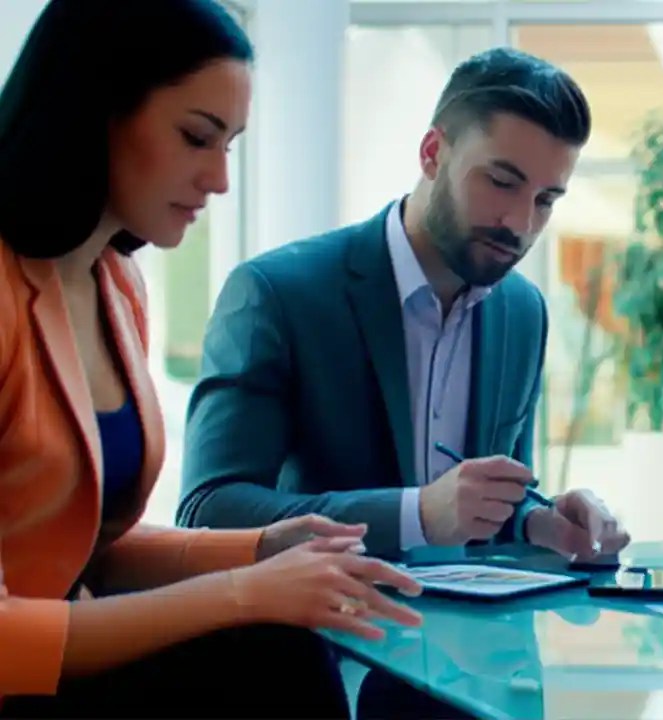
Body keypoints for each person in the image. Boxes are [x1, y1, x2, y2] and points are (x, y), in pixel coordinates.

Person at [0, 1, 424, 716]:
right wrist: (242, 592)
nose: (220, 180)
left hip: (56, 667)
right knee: (266, 646)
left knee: (282, 645)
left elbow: (89, 549)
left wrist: (260, 550)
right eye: (198, 137)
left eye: (230, 144)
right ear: (96, 108)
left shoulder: (114, 286)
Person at [177, 48, 629, 567]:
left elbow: (483, 498)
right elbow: (208, 512)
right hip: (321, 640)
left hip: (476, 642)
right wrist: (416, 514)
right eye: (501, 182)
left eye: (546, 200)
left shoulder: (522, 313)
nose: (520, 222)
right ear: (433, 153)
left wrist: (536, 517)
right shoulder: (278, 293)